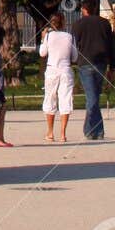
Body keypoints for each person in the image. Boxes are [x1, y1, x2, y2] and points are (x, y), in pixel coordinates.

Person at [71, 0, 115, 141]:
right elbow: (111, 46)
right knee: (93, 98)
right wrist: (113, 66)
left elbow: (73, 45)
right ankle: (96, 130)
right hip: (100, 63)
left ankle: (92, 129)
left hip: (85, 63)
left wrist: (71, 60)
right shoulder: (105, 24)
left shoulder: (78, 25)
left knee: (92, 99)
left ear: (84, 9)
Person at [40, 12, 78, 143]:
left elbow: (42, 53)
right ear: (64, 23)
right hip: (66, 69)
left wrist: (42, 39)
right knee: (65, 99)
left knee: (50, 98)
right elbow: (75, 57)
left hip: (52, 69)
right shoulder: (70, 37)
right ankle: (63, 133)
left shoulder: (49, 36)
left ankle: (50, 132)